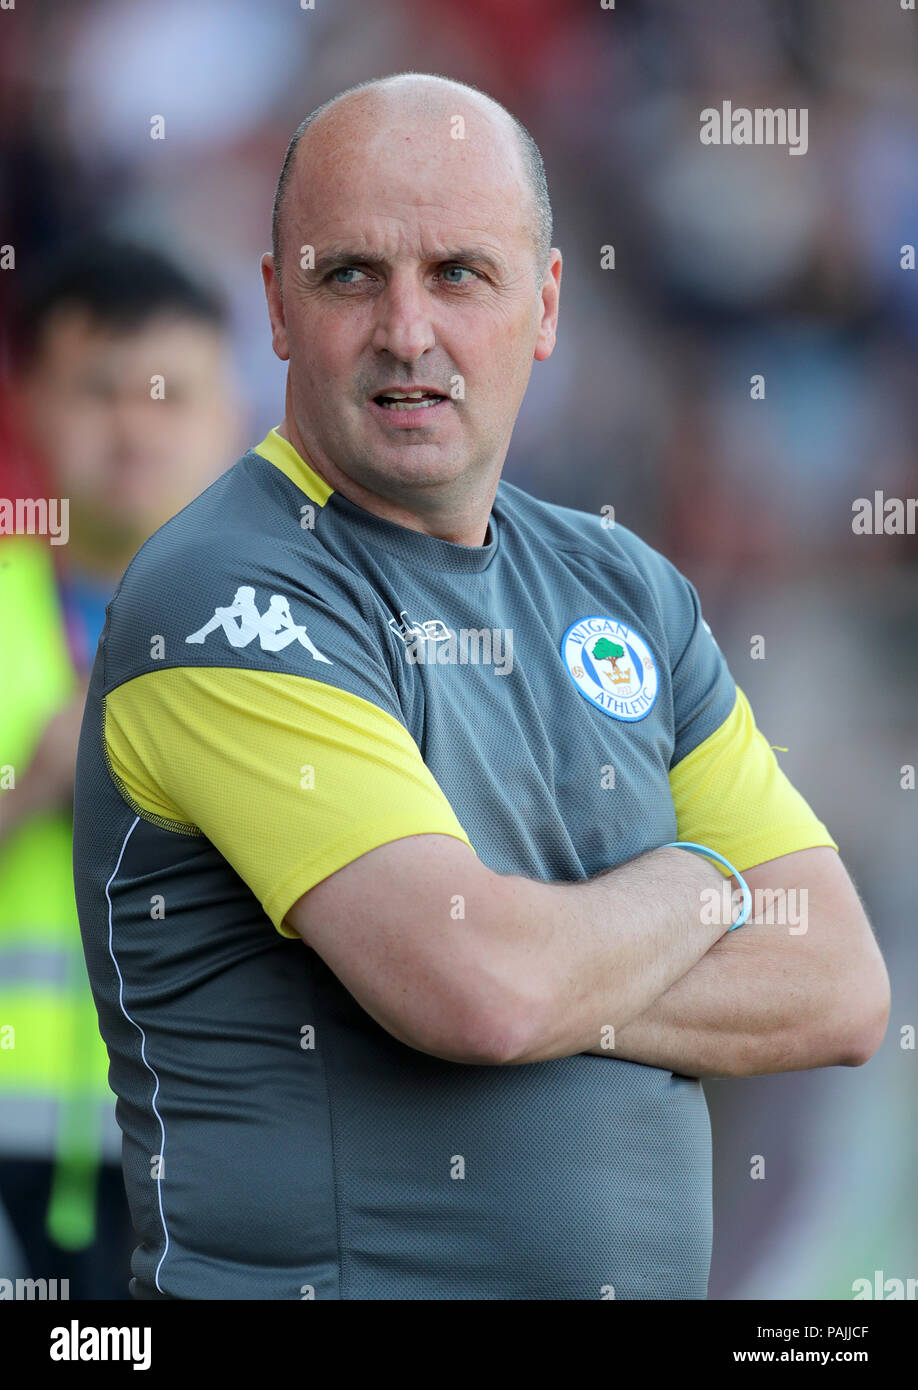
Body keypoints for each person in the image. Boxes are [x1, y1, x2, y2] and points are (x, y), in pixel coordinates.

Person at [71, 74, 889, 1301]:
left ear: (546, 304)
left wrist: (550, 961)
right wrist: (706, 881)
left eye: (460, 272)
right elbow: (481, 988)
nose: (409, 329)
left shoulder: (625, 586)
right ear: (277, 307)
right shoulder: (223, 591)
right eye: (352, 274)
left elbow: (837, 984)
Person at [0, 239, 241, 1297]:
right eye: (99, 389)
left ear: (232, 413)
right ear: (28, 401)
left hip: (209, 1158)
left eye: (170, 394)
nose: (135, 426)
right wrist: (33, 783)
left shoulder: (286, 631)